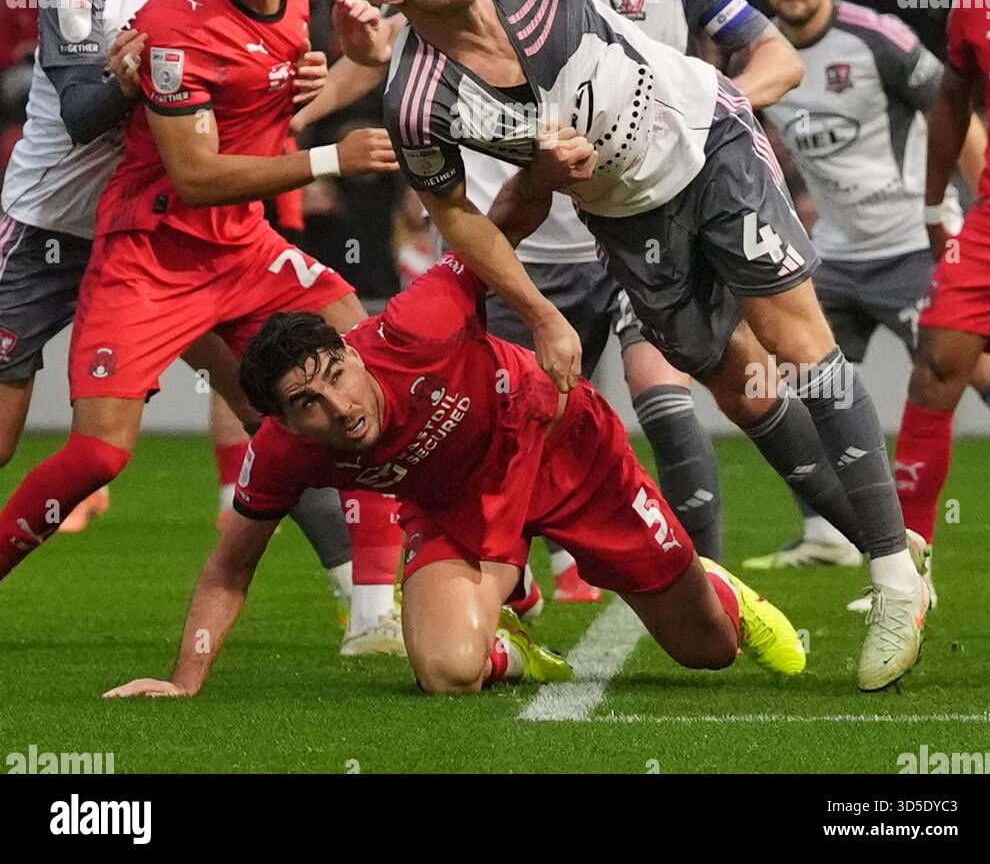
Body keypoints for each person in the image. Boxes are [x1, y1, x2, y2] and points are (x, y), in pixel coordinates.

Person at [322, 0, 932, 692]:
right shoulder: (419, 97)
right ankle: (828, 531)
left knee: (798, 342)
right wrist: (533, 307)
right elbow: (458, 217)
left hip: (706, 137)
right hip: (628, 219)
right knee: (712, 364)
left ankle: (896, 571)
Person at [101, 144, 807, 702]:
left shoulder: (420, 323)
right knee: (445, 672)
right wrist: (185, 678)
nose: (339, 408)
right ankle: (512, 643)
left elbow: (500, 225)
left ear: (350, 351)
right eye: (307, 404)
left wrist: (545, 173)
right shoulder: (282, 451)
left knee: (704, 652)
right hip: (454, 505)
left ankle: (718, 591)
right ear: (282, 420)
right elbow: (230, 568)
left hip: (565, 450)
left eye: (336, 378)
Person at [0, 0, 404, 654]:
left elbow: (275, 103)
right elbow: (191, 175)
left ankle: (374, 613)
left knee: (362, 372)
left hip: (244, 248)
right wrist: (330, 158)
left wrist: (363, 59)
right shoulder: (168, 24)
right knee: (97, 455)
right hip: (148, 247)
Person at [746, 0, 990, 581]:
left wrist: (978, 219)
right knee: (796, 378)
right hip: (834, 254)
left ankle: (906, 555)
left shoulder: (878, 39)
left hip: (914, 245)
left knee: (968, 372)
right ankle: (830, 534)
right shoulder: (753, 56)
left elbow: (954, 110)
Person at [889, 0, 990, 585]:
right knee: (935, 369)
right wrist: (936, 202)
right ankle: (907, 578)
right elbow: (952, 102)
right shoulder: (979, 8)